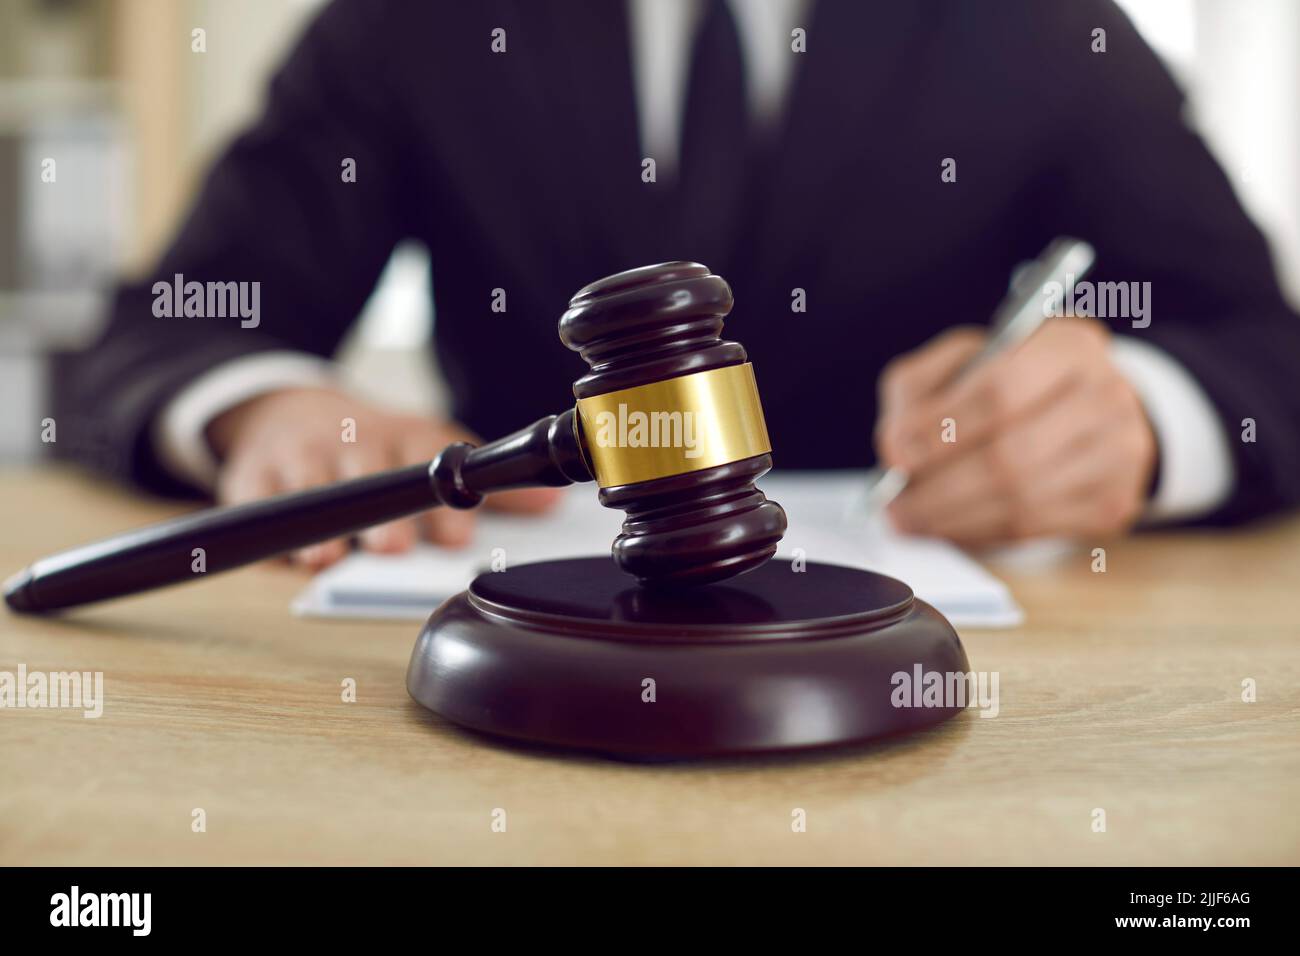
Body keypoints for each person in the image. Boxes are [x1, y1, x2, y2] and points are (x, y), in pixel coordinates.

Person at [61, 0, 1300, 567]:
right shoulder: (412, 22)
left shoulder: (1042, 24)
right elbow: (164, 324)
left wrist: (1138, 418)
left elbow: (1261, 345)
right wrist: (264, 408)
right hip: (513, 630)